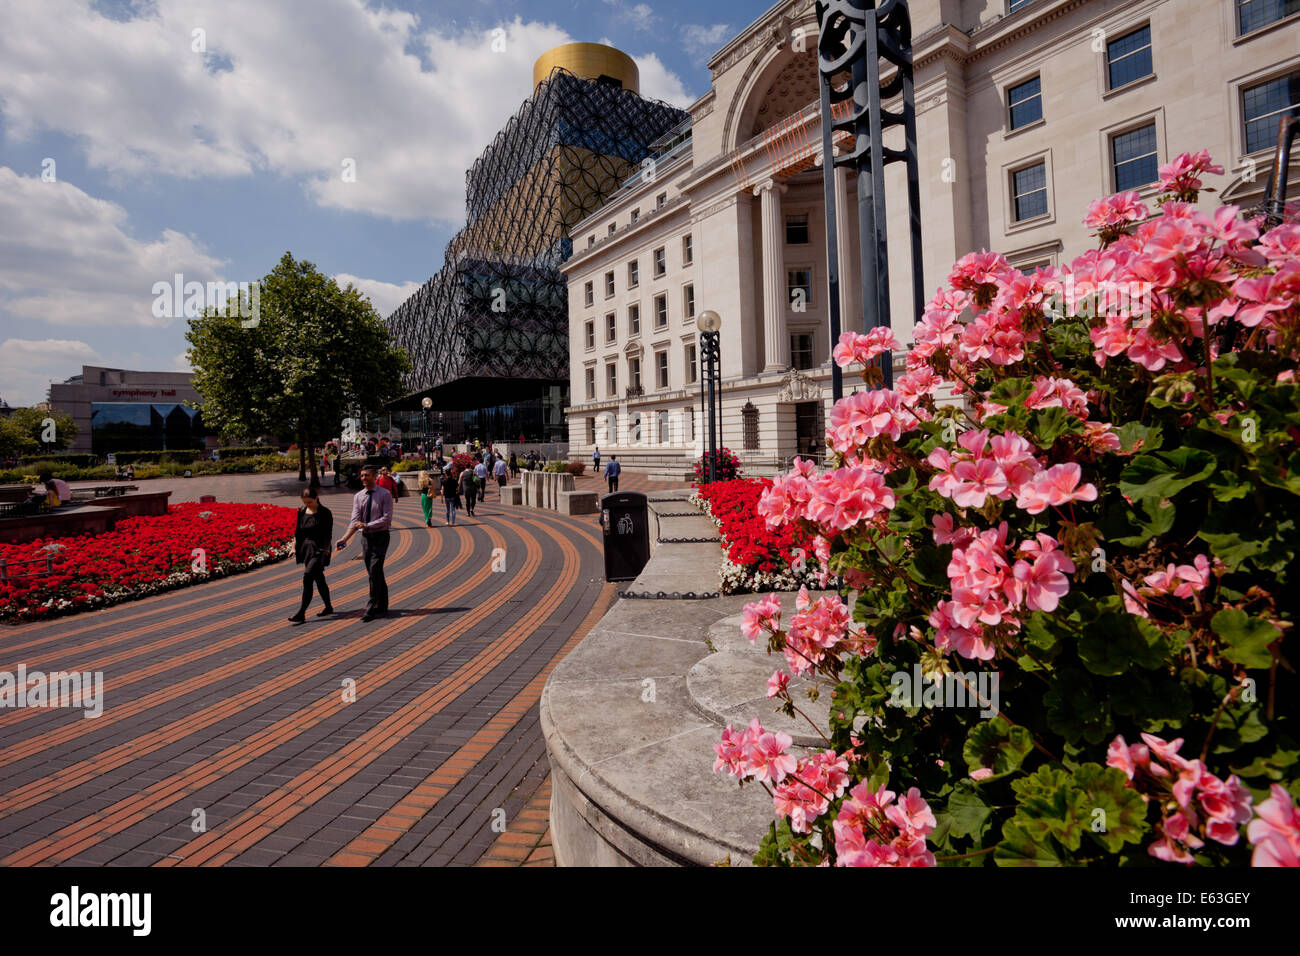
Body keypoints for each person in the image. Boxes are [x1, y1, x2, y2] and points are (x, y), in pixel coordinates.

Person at [338, 465, 392, 622]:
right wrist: (344, 538)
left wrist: (368, 525)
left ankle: (371, 607)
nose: (363, 478)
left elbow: (387, 518)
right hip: (366, 539)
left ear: (375, 476)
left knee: (375, 570)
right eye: (362, 475)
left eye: (367, 475)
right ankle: (383, 604)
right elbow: (355, 521)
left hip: (381, 536)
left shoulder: (385, 494)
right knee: (374, 573)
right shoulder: (358, 496)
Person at [289, 486, 333, 624]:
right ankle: (329, 607)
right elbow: (298, 532)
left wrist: (326, 550)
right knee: (319, 578)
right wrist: (294, 547)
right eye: (305, 502)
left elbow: (328, 534)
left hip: (320, 549)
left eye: (310, 502)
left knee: (308, 577)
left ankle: (301, 613)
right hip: (306, 548)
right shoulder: (302, 511)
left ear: (317, 498)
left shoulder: (325, 513)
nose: (307, 504)